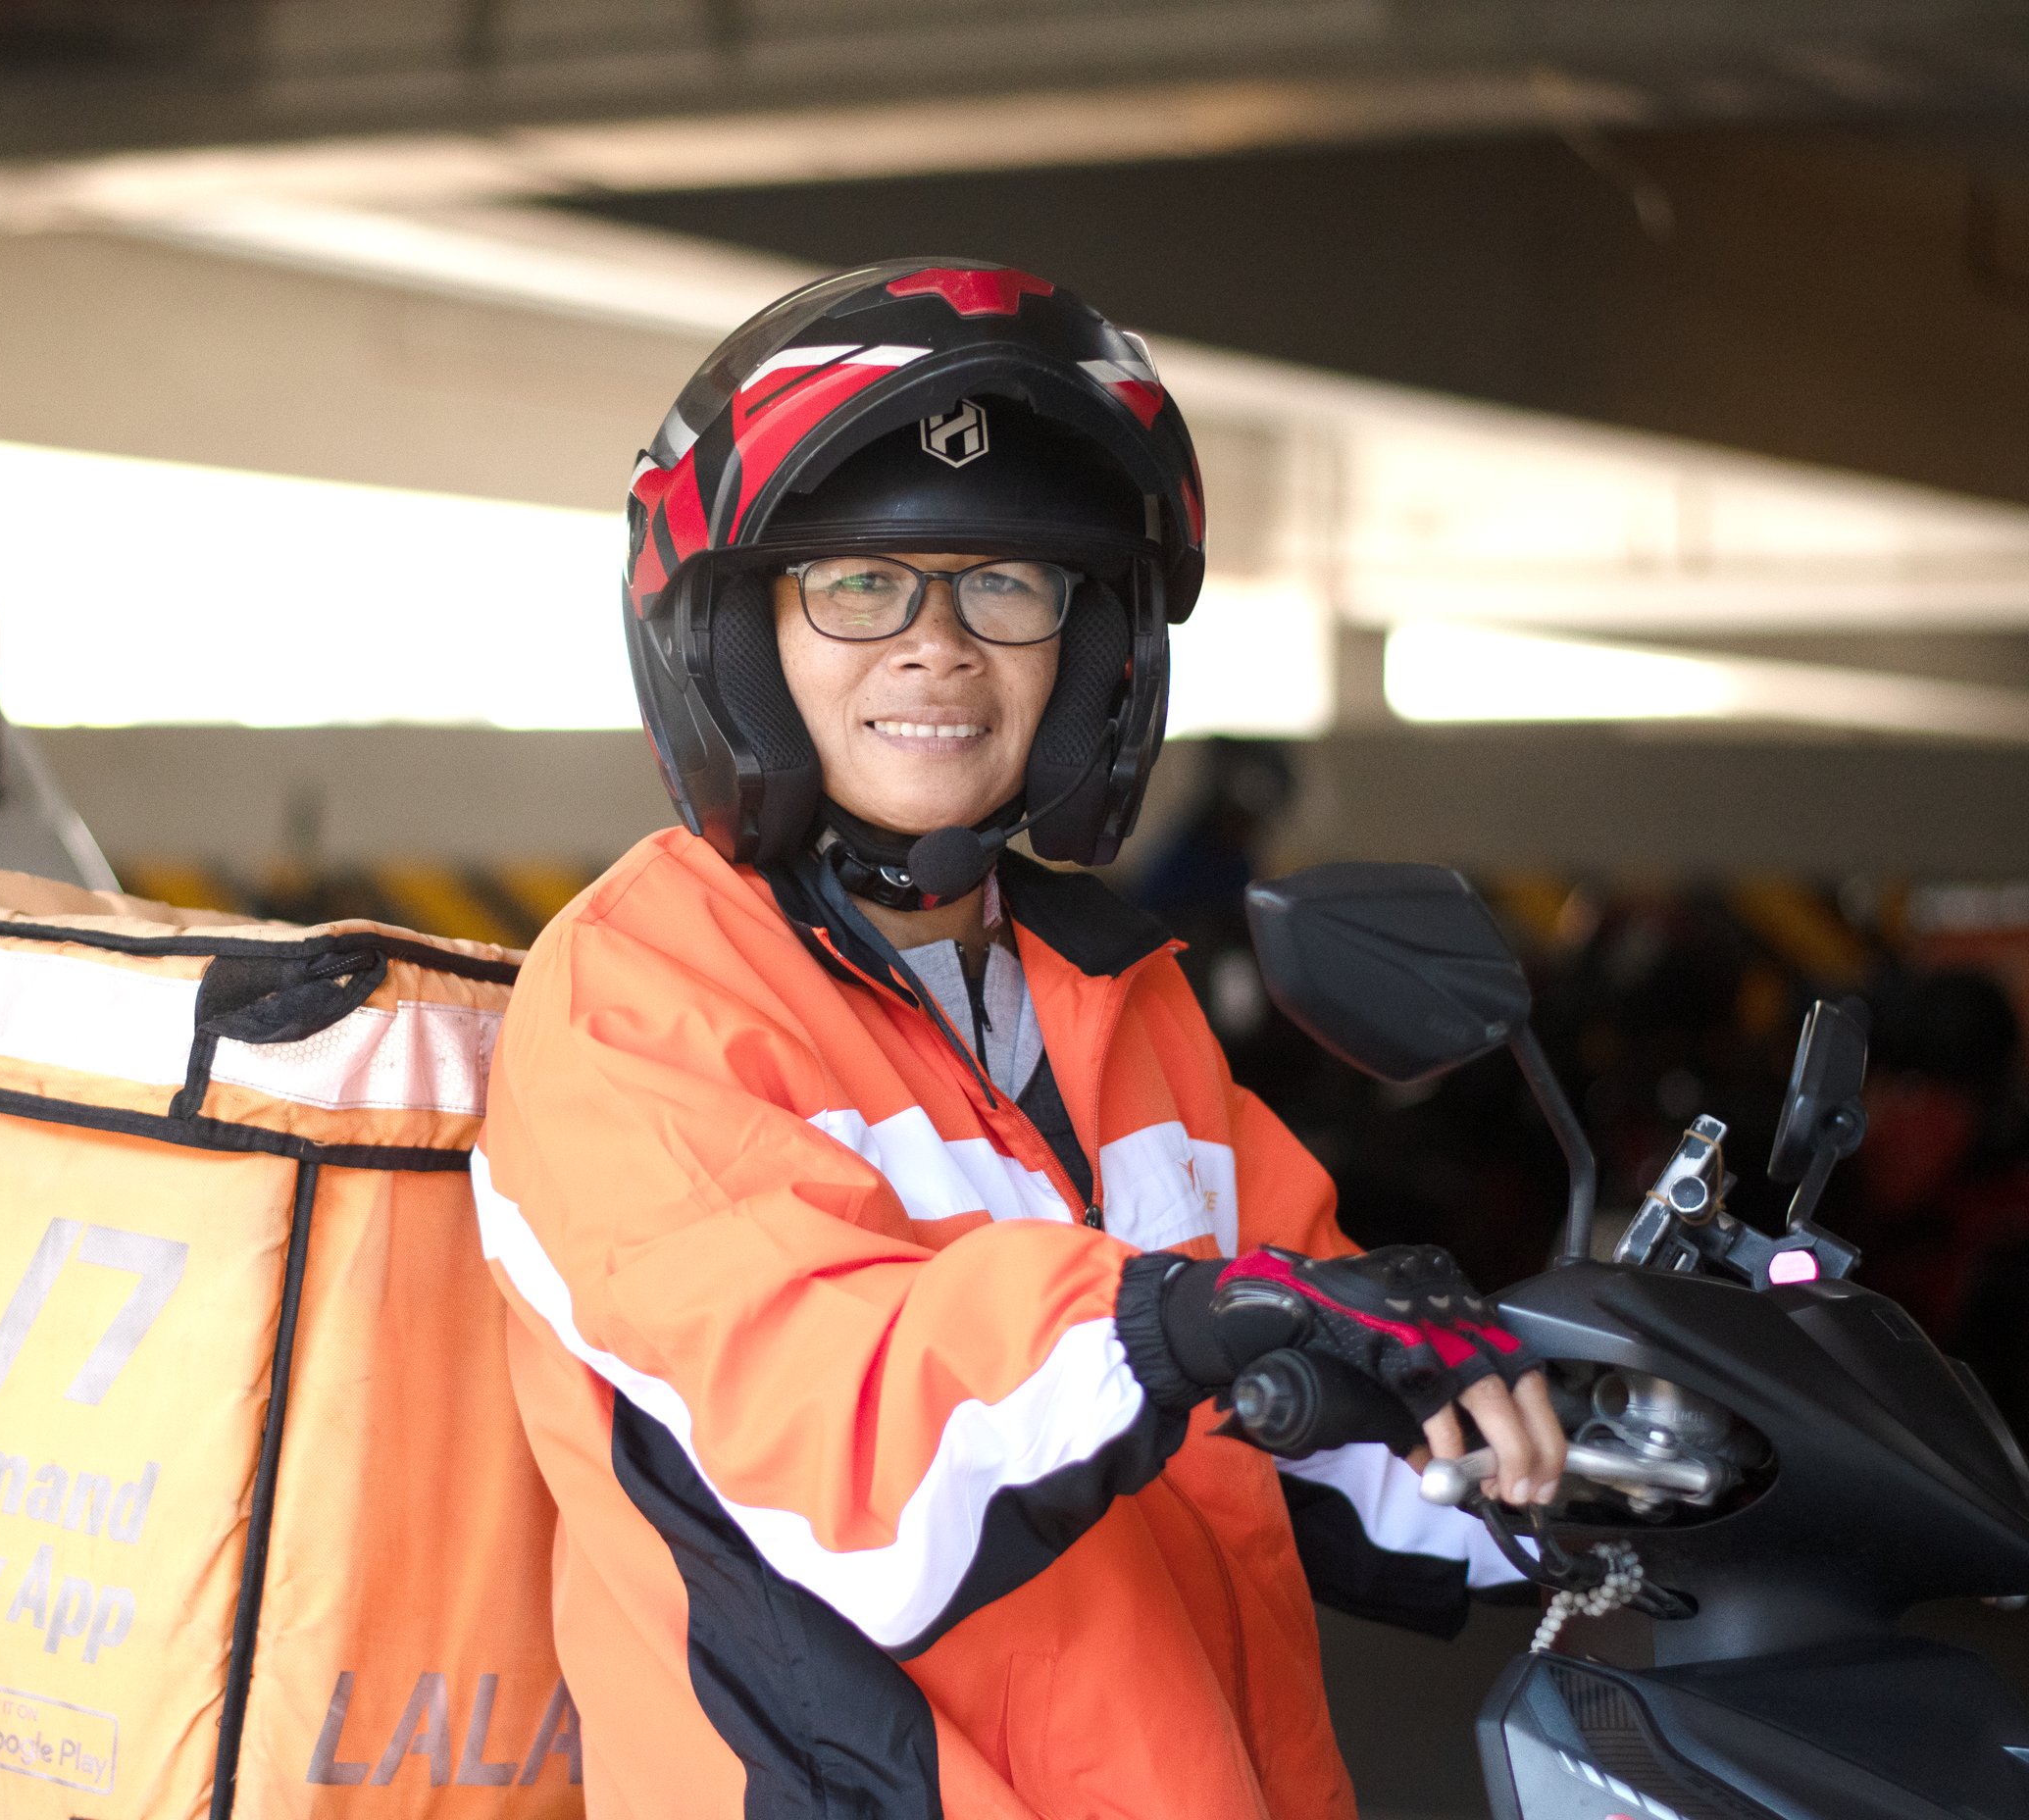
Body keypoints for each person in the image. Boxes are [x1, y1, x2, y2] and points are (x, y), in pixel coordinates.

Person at [475, 260, 1564, 1820]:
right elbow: (858, 1451)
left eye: (1009, 584)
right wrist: (1189, 1318)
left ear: (1089, 653)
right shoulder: (640, 1000)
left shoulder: (1123, 1001)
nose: (940, 647)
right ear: (735, 641)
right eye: (858, 584)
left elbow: (1335, 1420)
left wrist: (1584, 1421)